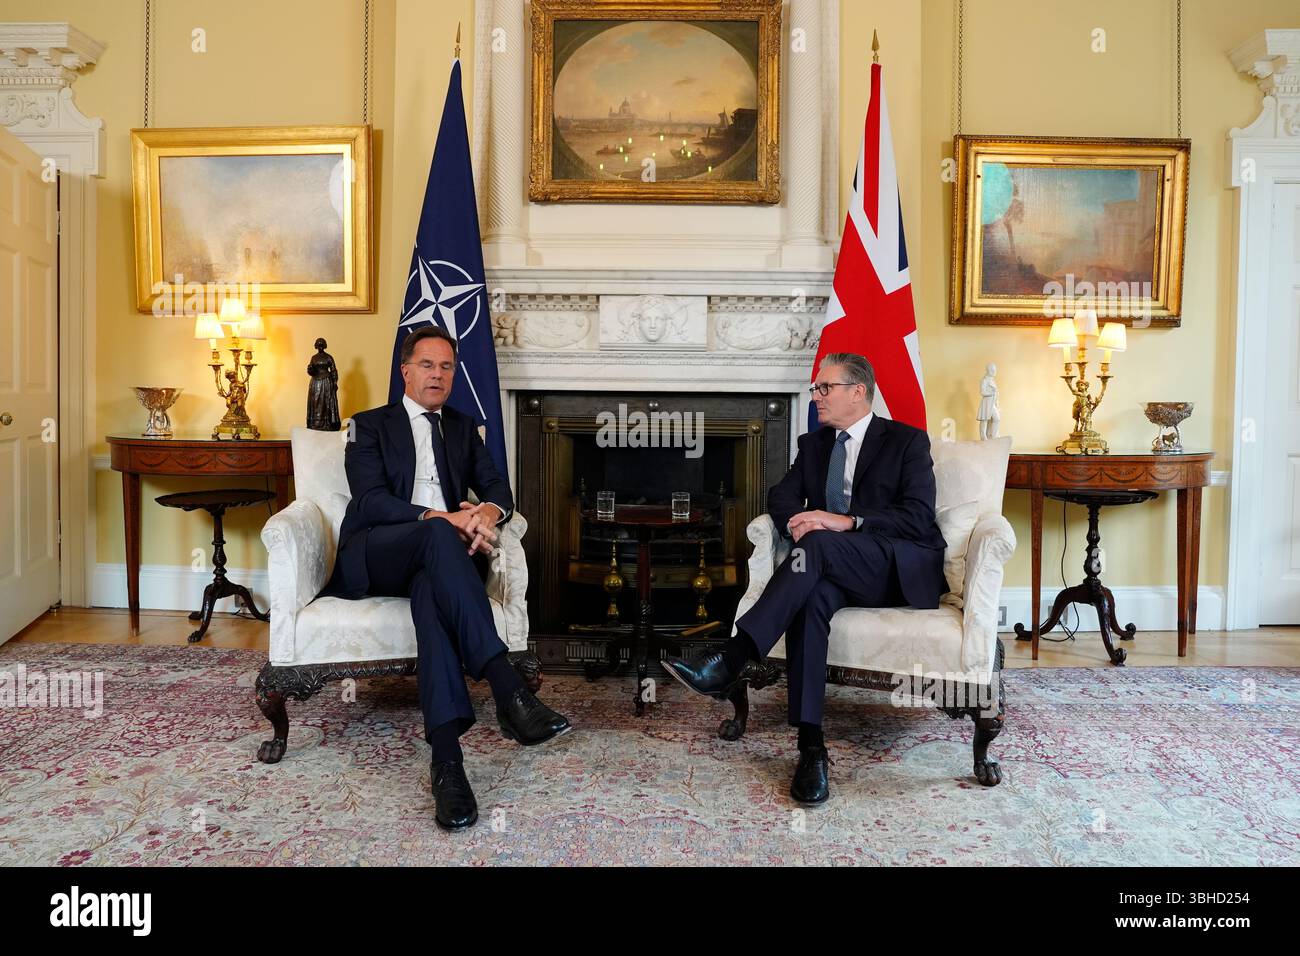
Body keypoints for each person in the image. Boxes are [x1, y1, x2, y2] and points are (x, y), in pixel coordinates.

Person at [662, 352, 947, 805]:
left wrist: (843, 521)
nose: (815, 396)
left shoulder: (906, 442)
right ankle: (811, 748)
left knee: (814, 545)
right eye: (815, 389)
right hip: (830, 567)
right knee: (810, 599)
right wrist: (798, 517)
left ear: (858, 391)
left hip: (892, 567)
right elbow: (781, 495)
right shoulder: (814, 445)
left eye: (824, 388)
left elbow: (916, 517)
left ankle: (733, 657)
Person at [318, 324, 571, 830]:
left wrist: (484, 517)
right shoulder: (368, 426)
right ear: (406, 370)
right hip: (379, 552)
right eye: (427, 365)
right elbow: (370, 501)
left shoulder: (462, 427)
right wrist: (446, 520)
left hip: (442, 563)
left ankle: (448, 765)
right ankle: (507, 687)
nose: (438, 374)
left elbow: (499, 488)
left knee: (433, 603)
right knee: (435, 536)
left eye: (447, 366)